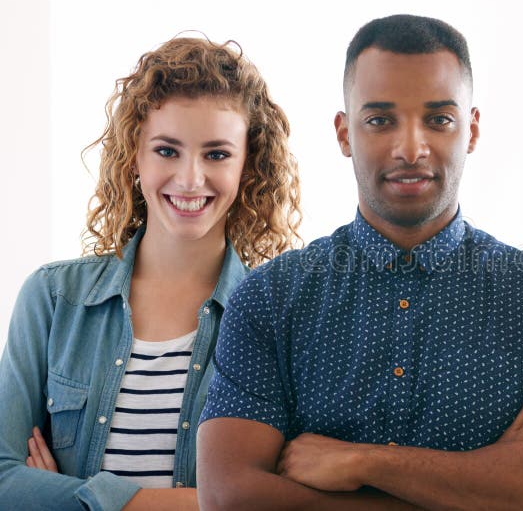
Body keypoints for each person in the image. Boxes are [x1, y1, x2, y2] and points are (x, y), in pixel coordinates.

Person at [197, 14, 523, 510]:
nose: (410, 149)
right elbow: (229, 497)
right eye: (380, 120)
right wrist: (487, 482)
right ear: (344, 133)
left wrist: (365, 463)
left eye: (439, 119)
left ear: (471, 130)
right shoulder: (269, 299)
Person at [0, 36, 301, 510]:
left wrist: (74, 499)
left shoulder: (280, 318)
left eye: (217, 154)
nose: (190, 179)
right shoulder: (53, 298)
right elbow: (5, 481)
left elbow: (286, 500)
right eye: (167, 150)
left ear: (248, 165)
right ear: (134, 155)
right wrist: (198, 502)